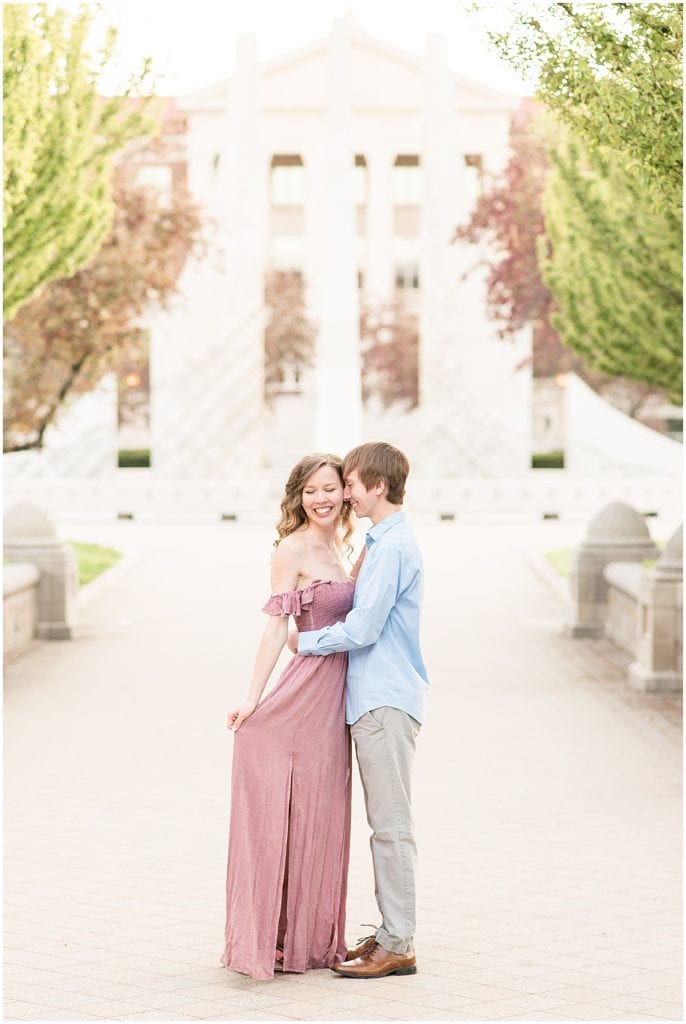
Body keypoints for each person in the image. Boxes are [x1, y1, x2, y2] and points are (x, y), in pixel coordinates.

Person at [221, 453, 362, 981]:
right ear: (298, 497)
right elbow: (278, 629)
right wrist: (253, 699)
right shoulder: (293, 548)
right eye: (310, 492)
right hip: (304, 695)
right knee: (288, 808)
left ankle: (309, 935)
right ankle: (276, 937)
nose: (320, 499)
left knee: (319, 811)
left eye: (329, 489)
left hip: (337, 699)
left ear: (345, 493)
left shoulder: (339, 546)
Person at [295, 441, 429, 979]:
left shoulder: (392, 547)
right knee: (384, 824)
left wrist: (304, 643)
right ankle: (390, 932)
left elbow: (366, 627)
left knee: (391, 826)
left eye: (350, 484)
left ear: (378, 486)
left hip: (385, 700)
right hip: (373, 698)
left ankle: (398, 942)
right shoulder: (381, 540)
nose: (345, 493)